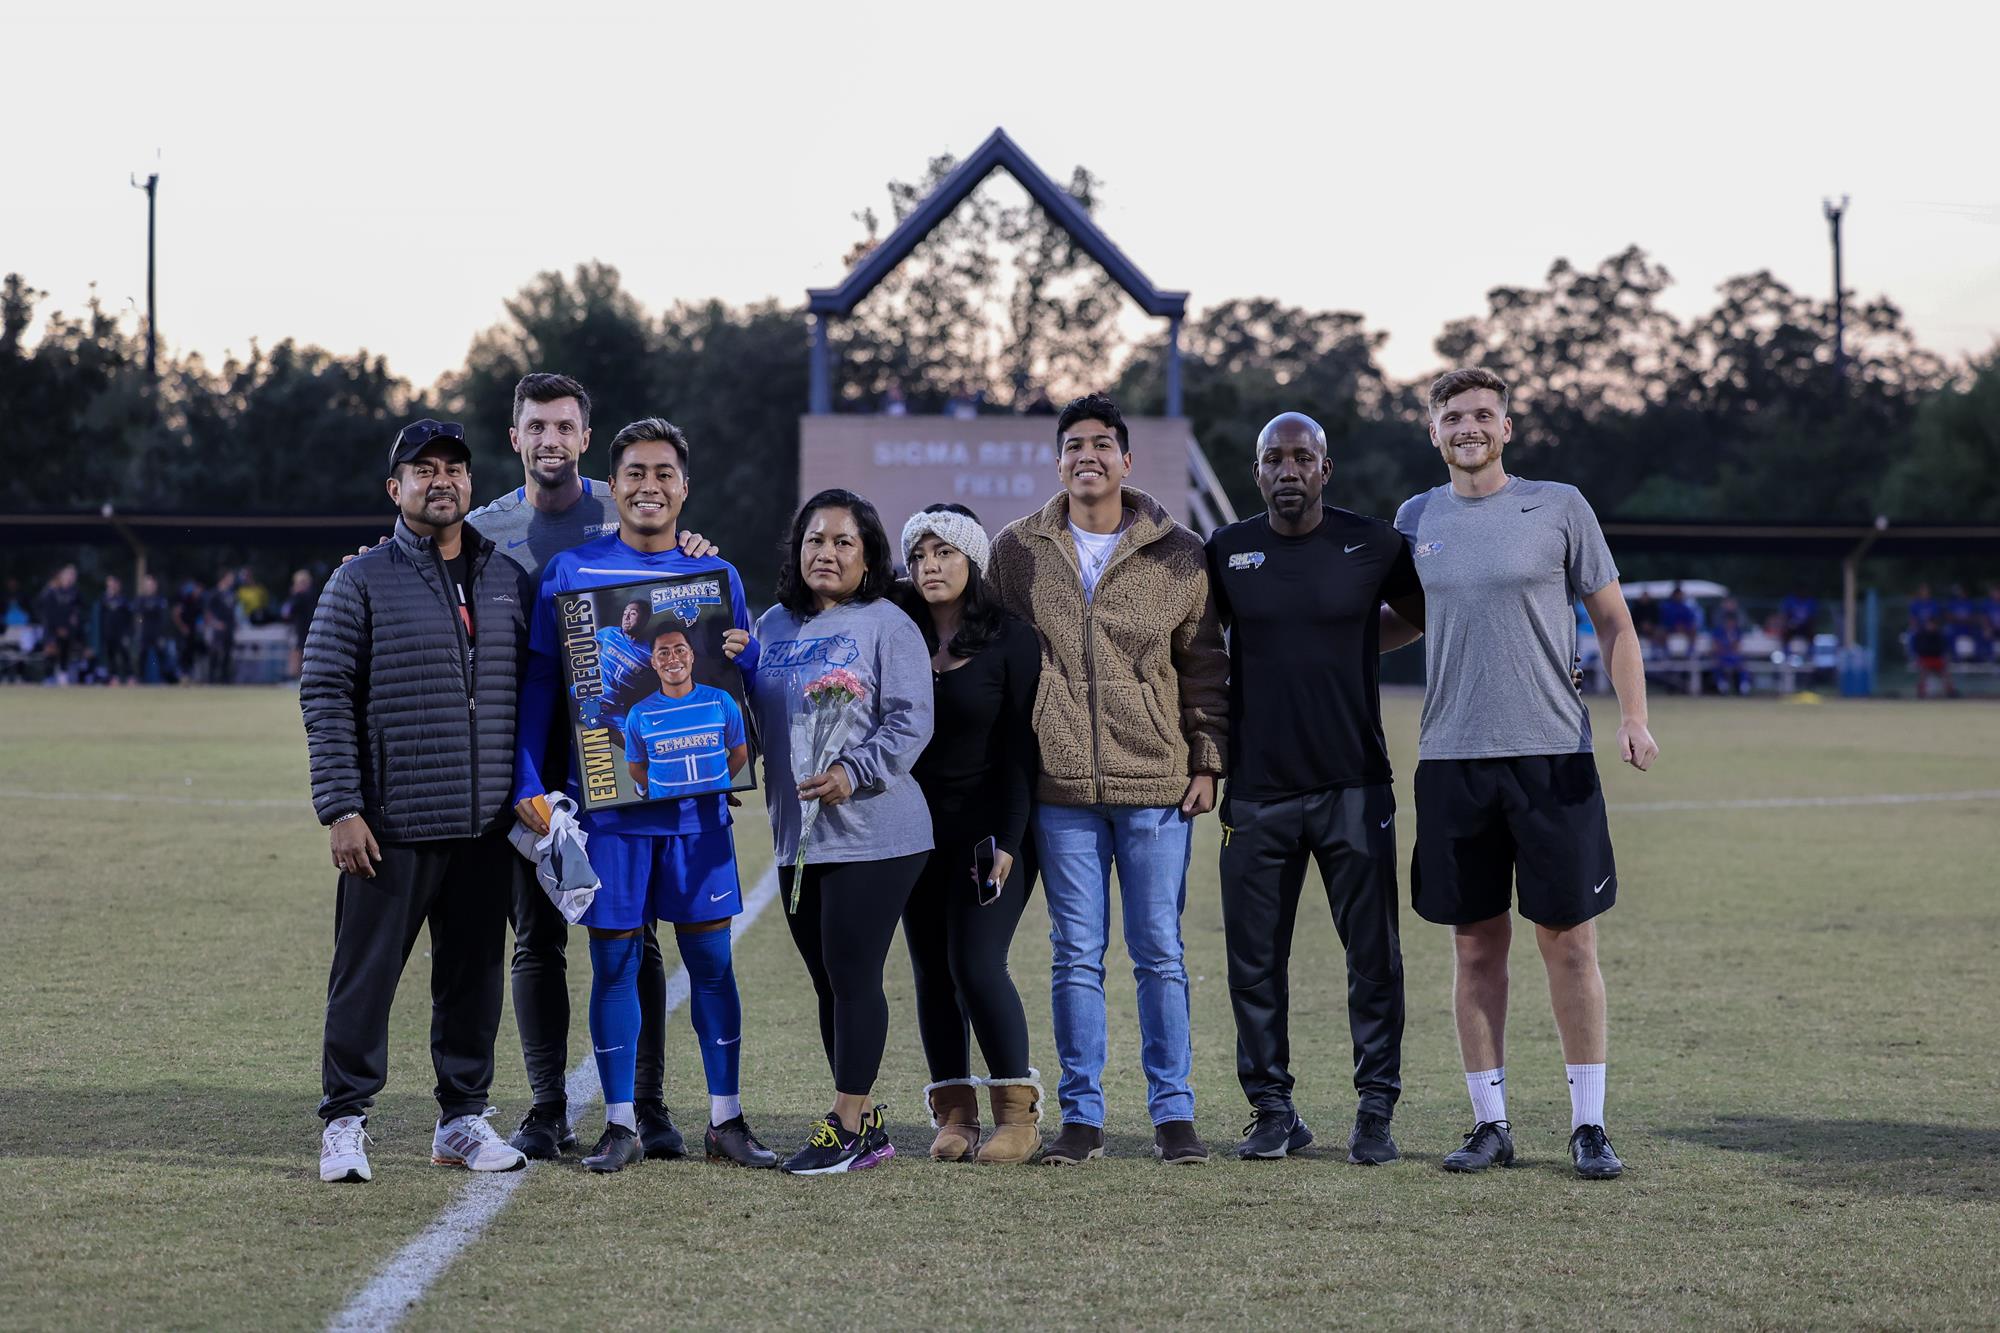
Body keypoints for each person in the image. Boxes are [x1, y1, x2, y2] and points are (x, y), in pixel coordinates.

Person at [1394, 368, 1657, 1182]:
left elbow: (1614, 621)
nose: (1468, 426)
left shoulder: (1561, 506)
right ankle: (1490, 1122)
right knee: (1476, 946)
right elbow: (1392, 625)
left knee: (1570, 942)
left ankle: (1588, 1125)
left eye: (1482, 414)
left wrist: (1634, 715)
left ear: (1507, 426)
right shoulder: (1414, 520)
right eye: (1452, 416)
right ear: (1432, 432)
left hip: (1553, 754)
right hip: (1450, 758)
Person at [513, 417, 774, 1173]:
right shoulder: (571, 573)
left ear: (684, 487)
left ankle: (726, 1118)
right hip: (609, 815)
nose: (649, 486)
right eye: (635, 473)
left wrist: (751, 658)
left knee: (714, 962)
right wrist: (531, 783)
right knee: (615, 962)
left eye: (664, 473)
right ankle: (622, 1121)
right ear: (613, 483)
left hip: (697, 815)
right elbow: (539, 687)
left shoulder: (716, 578)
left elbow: (746, 689)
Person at [988, 392, 1229, 1167]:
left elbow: (1204, 665)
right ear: (1058, 462)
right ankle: (1083, 1117)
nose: (1086, 455)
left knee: (1160, 950)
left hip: (1157, 784)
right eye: (1072, 446)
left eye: (1101, 444)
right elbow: (994, 656)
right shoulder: (1019, 548)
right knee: (1074, 953)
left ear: (1126, 459)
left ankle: (1174, 1114)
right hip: (1061, 791)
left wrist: (1206, 757)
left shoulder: (1180, 551)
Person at [299, 418, 533, 1184]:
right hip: (390, 823)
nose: (442, 481)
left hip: (484, 824)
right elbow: (325, 690)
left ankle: (461, 1120)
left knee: (473, 980)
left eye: (455, 469)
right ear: (394, 487)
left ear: (471, 484)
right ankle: (345, 1121)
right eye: (423, 469)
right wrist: (341, 806)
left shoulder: (506, 575)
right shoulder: (359, 578)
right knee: (363, 978)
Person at [464, 373, 683, 1164]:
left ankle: (650, 1105)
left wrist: (697, 547)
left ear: (586, 437)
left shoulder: (623, 502)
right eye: (536, 426)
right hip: (527, 754)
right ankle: (548, 1106)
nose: (550, 438)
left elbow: (676, 573)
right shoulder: (483, 525)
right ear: (515, 435)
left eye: (564, 425)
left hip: (622, 756)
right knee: (537, 937)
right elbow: (415, 557)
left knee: (637, 935)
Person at [1204, 412, 1425, 1164]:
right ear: (1257, 472)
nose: (1288, 469)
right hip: (1257, 791)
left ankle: (1375, 1110)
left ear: (1325, 469)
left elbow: (1423, 618)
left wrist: (1355, 635)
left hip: (1354, 785)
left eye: (1303, 457)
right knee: (1254, 958)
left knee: (1373, 956)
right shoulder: (1228, 551)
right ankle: (1272, 1109)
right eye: (1274, 458)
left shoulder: (1374, 544)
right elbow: (1204, 652)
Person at [736, 489, 934, 1174]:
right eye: (815, 539)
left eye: (844, 541)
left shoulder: (887, 623)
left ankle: (847, 1127)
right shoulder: (772, 626)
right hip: (799, 839)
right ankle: (867, 1116)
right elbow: (754, 731)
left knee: (852, 974)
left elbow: (911, 721)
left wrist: (854, 771)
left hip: (877, 831)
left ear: (869, 554)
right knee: (829, 983)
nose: (826, 552)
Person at [889, 503, 1045, 1164]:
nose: (930, 565)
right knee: (930, 970)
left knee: (976, 961)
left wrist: (1008, 841)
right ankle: (955, 1111)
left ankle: (1018, 1111)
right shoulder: (896, 630)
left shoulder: (1011, 637)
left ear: (972, 560)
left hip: (992, 833)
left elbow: (1020, 748)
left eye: (944, 552)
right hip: (914, 832)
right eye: (920, 554)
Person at [623, 627, 749, 799]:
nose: (673, 658)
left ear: (691, 655)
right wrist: (663, 790)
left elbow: (740, 753)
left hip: (715, 816)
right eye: (663, 653)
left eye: (680, 650)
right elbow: (635, 769)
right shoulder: (639, 714)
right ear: (653, 662)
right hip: (668, 817)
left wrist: (719, 785)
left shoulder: (720, 700)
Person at [34, 564, 82, 686]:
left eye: (73, 576)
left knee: (65, 652)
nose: (70, 578)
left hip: (67, 628)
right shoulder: (51, 590)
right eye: (68, 575)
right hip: (52, 628)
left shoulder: (74, 592)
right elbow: (44, 608)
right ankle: (48, 678)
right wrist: (57, 627)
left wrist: (74, 616)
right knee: (50, 652)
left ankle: (63, 677)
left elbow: (78, 607)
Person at [134, 573, 178, 684]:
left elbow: (164, 617)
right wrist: (140, 623)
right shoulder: (141, 600)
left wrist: (162, 633)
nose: (149, 586)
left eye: (151, 584)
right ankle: (140, 680)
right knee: (142, 657)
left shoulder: (160, 599)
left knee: (161, 657)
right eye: (147, 584)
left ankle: (166, 680)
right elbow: (139, 616)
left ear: (155, 585)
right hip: (145, 633)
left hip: (158, 634)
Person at [94, 574, 137, 685]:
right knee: (110, 656)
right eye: (110, 584)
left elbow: (130, 618)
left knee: (125, 655)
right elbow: (101, 618)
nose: (112, 586)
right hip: (109, 633)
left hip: (122, 634)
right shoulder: (103, 599)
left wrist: (129, 633)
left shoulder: (124, 600)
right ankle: (113, 677)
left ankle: (130, 677)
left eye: (114, 584)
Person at [203, 569, 238, 684]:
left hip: (229, 628)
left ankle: (224, 679)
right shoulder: (215, 593)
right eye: (230, 578)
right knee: (215, 652)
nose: (232, 580)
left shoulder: (232, 593)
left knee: (227, 653)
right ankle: (211, 678)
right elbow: (208, 612)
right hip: (218, 628)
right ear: (224, 578)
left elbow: (233, 611)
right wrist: (215, 624)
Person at [282, 569, 319, 679]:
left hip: (309, 629)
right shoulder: (300, 596)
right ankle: (295, 677)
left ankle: (302, 677)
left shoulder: (308, 595)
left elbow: (286, 612)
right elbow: (286, 612)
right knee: (297, 652)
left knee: (302, 653)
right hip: (299, 629)